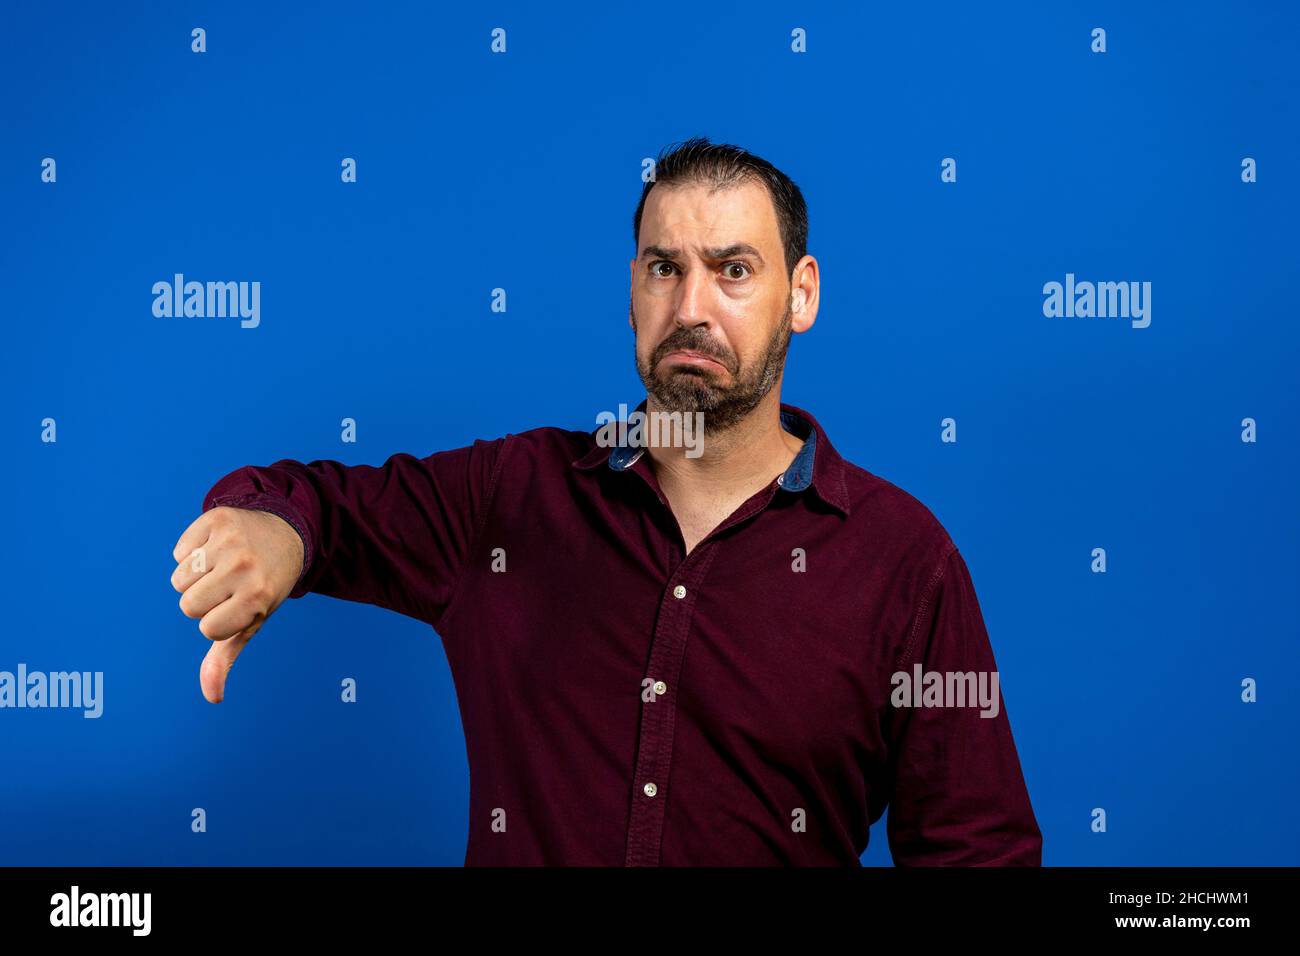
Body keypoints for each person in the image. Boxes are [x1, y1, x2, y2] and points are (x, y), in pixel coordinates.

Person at [170, 137, 1042, 866]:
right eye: (666, 267)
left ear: (801, 294)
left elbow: (978, 852)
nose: (691, 306)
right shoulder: (509, 499)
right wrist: (274, 531)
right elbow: (315, 505)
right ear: (632, 289)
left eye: (734, 270)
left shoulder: (905, 562)